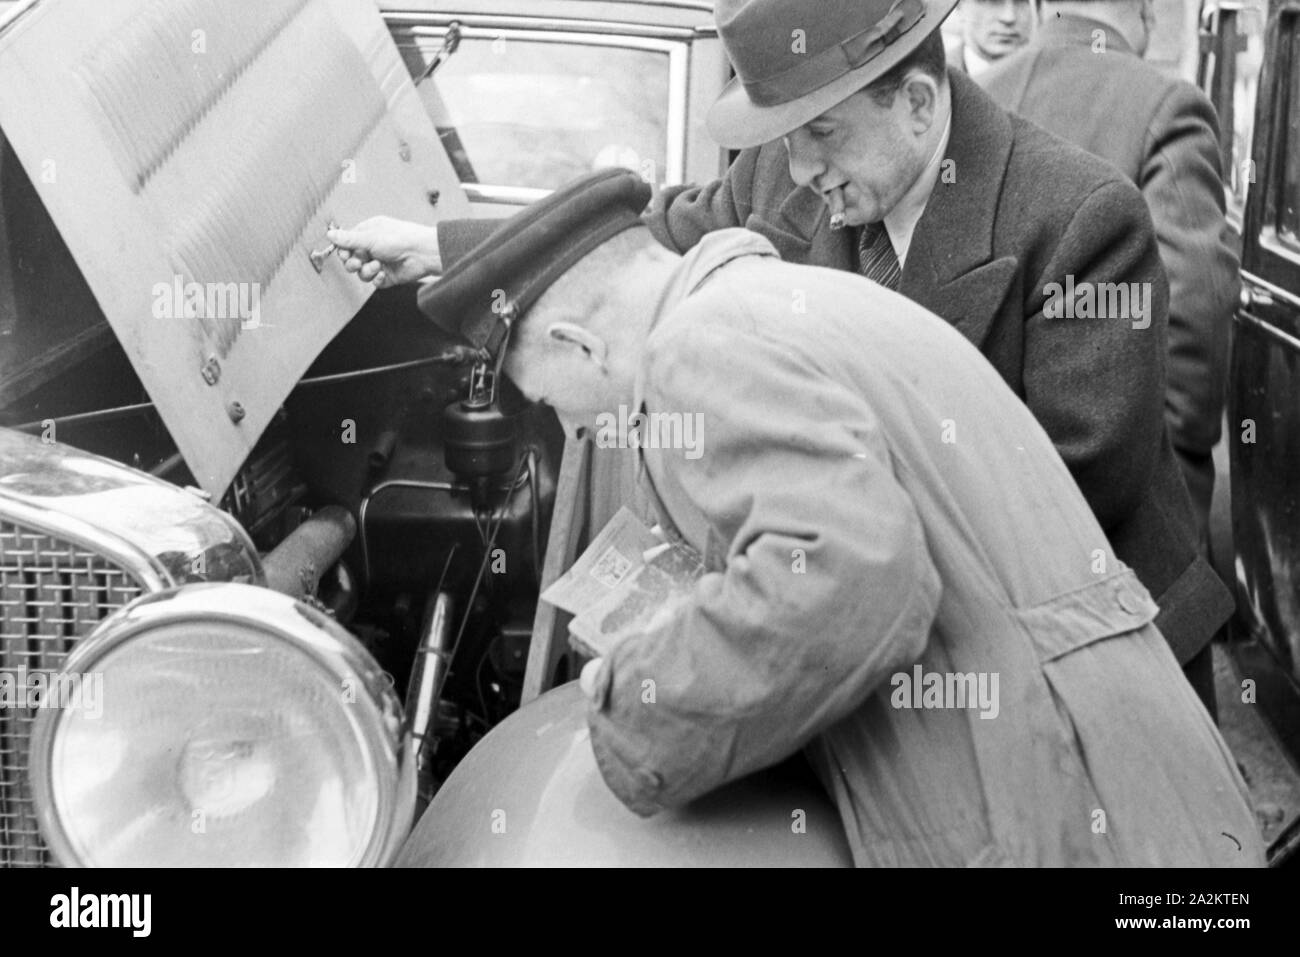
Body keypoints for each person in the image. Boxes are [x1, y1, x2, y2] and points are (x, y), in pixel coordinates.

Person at [333, 168, 1263, 866]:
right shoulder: (792, 298)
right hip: (1135, 803)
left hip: (1057, 812)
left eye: (556, 401)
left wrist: (633, 700)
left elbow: (851, 577)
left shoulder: (704, 346)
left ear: (579, 339)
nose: (578, 427)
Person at [330, 0, 1233, 713]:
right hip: (914, 646)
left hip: (1085, 668)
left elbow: (1069, 487)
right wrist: (445, 250)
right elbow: (641, 242)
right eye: (783, 138)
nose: (798, 170)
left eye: (822, 134)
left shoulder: (1081, 216)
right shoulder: (784, 171)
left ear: (918, 103)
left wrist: (794, 552)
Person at [979, 0, 1238, 549]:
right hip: (1129, 511)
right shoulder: (1167, 107)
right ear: (1144, 12)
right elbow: (1199, 306)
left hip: (995, 497)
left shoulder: (977, 98)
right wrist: (1179, 461)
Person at [946, 0, 1035, 75]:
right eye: (993, 1)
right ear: (959, 7)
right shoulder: (937, 80)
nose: (1009, 17)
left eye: (1022, 1)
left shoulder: (1045, 78)